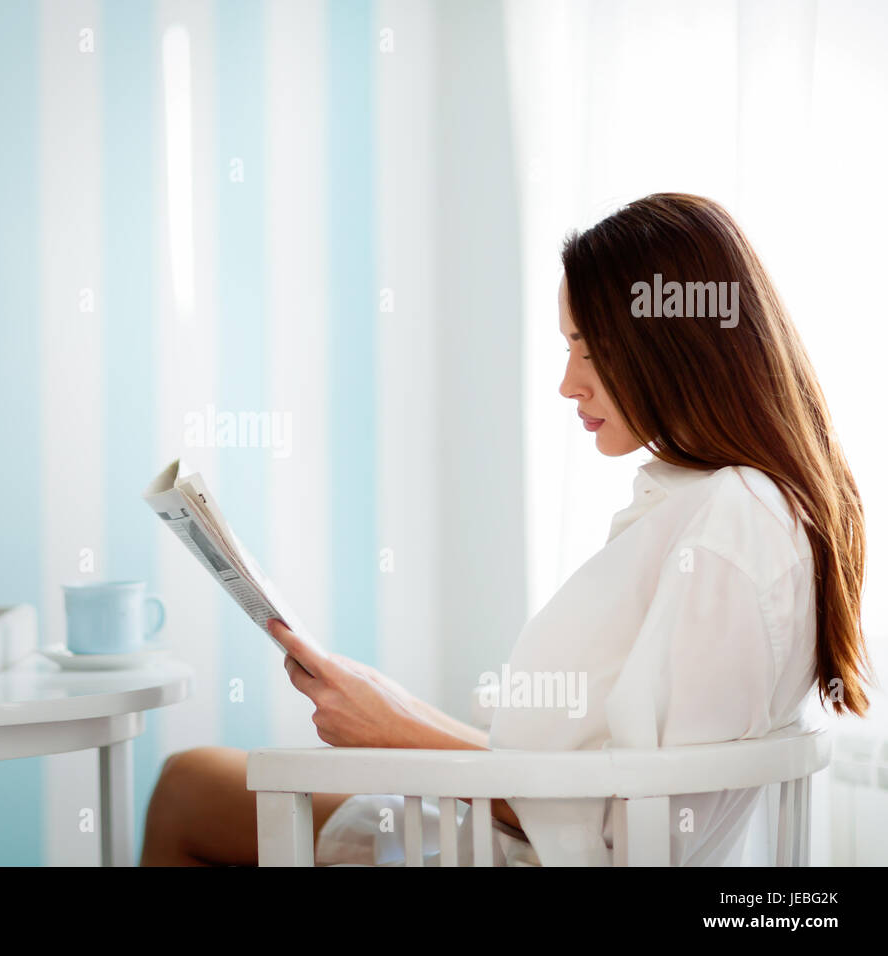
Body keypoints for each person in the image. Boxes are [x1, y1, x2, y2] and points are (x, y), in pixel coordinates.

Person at [139, 193, 872, 867]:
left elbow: (631, 838)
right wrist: (391, 708)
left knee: (187, 789)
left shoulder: (730, 529)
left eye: (593, 349)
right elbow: (602, 780)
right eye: (568, 348)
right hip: (518, 830)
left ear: (677, 344)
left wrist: (400, 733)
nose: (568, 383)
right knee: (192, 781)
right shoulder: (732, 506)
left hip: (527, 853)